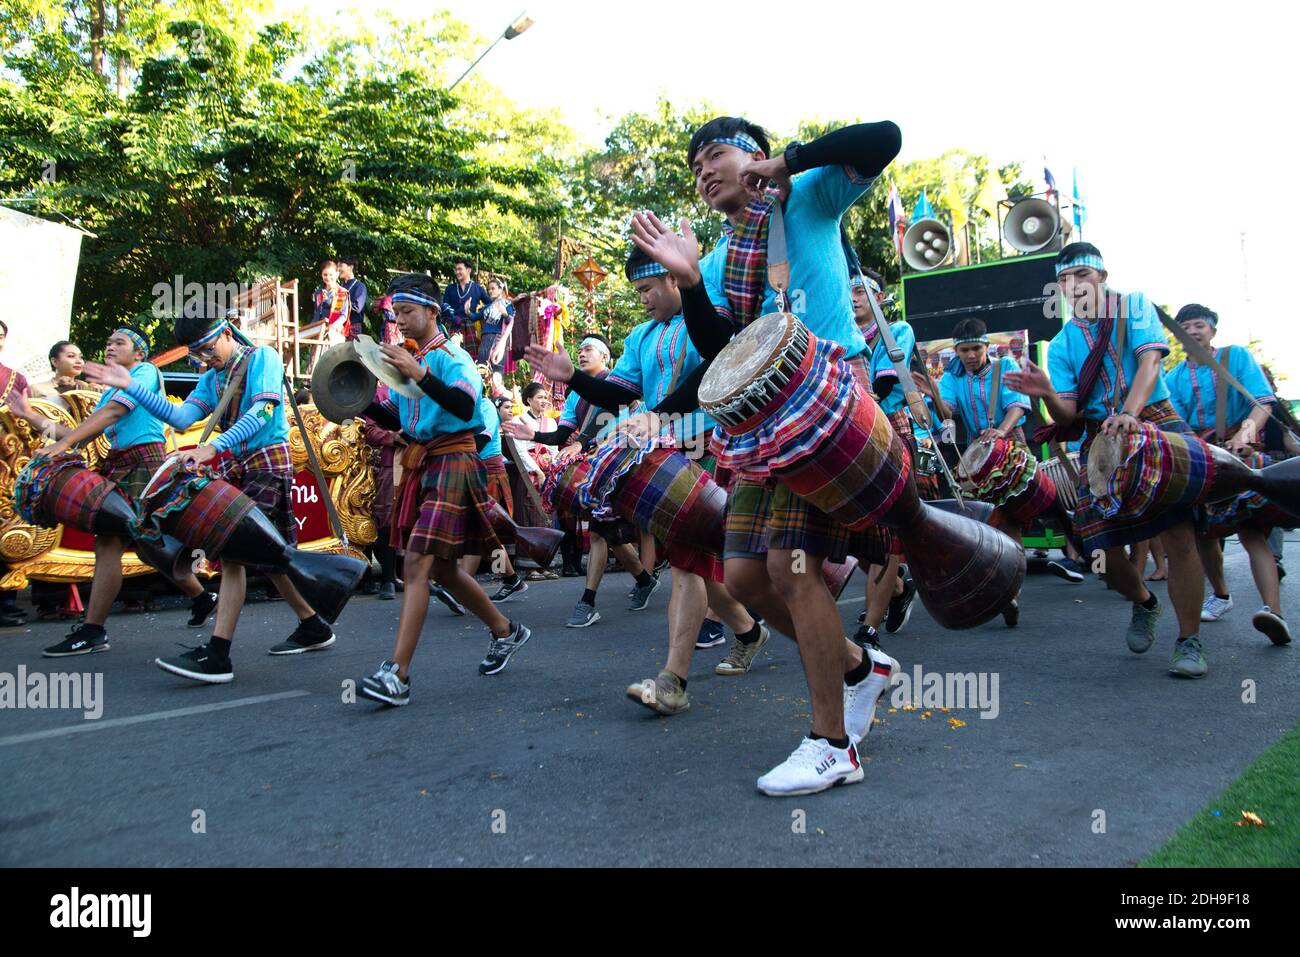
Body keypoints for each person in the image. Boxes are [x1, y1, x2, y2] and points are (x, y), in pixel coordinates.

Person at [629, 115, 903, 795]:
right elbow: (726, 345)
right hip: (760, 422)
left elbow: (887, 137)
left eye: (713, 155)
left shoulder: (805, 194)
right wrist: (691, 282)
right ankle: (861, 668)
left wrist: (791, 160)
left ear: (753, 154)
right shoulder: (719, 259)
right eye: (694, 169)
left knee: (790, 564)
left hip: (826, 399)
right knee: (747, 577)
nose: (703, 173)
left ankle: (832, 743)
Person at [524, 245, 768, 716]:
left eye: (646, 289)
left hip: (714, 444)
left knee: (689, 562)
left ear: (673, 279)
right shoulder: (640, 336)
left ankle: (674, 679)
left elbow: (711, 368)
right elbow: (619, 393)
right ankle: (748, 630)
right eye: (637, 292)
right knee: (691, 558)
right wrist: (572, 375)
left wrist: (659, 414)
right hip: (665, 453)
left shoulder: (708, 316)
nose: (643, 300)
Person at [83, 310, 338, 683]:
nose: (205, 358)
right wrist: (132, 386)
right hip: (236, 465)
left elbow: (264, 411)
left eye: (207, 348)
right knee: (265, 554)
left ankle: (219, 653)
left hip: (268, 461)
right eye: (197, 353)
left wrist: (213, 446)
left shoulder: (261, 358)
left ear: (226, 332)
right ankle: (312, 623)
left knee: (239, 554)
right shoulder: (212, 377)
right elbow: (182, 417)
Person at [1005, 242, 1209, 678]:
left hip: (1153, 418)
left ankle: (1188, 640)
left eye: (1080, 275)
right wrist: (1044, 396)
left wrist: (1131, 414)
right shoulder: (1060, 345)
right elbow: (1069, 413)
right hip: (1100, 438)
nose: (1071, 285)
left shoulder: (1132, 306)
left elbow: (1150, 363)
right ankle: (1145, 603)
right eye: (1062, 279)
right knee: (1095, 550)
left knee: (1179, 534)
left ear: (1102, 276)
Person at [352, 273, 532, 706]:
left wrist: (420, 374)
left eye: (408, 312)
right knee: (441, 570)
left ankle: (398, 673)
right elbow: (397, 417)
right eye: (396, 313)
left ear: (432, 310)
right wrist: (355, 396)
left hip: (455, 459)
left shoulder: (453, 357)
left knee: (415, 564)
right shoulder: (410, 360)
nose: (400, 321)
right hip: (424, 463)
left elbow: (466, 405)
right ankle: (507, 631)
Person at [8, 328, 218, 655]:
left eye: (119, 343)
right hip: (120, 466)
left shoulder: (144, 373)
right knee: (147, 546)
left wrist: (65, 443)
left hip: (144, 465)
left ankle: (93, 631)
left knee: (110, 544)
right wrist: (31, 416)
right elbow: (79, 433)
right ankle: (203, 597)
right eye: (107, 342)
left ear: (138, 354)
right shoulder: (109, 393)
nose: (109, 346)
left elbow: (111, 415)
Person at [504, 334, 659, 625]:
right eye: (580, 350)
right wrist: (534, 435)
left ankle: (588, 601)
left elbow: (637, 419)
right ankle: (643, 579)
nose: (582, 354)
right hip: (593, 468)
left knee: (604, 532)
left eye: (588, 349)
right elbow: (562, 436)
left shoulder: (619, 384)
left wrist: (589, 442)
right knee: (606, 532)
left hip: (621, 465)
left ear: (604, 356)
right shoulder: (575, 394)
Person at [1166, 303, 1290, 644]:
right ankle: (1221, 595)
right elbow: (1174, 425)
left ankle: (1273, 612)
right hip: (1204, 461)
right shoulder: (1171, 378)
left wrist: (1243, 436)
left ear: (1212, 331)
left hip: (1243, 456)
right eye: (1185, 327)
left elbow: (1262, 401)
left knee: (1253, 533)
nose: (1192, 331)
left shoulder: (1236, 358)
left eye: (1198, 325)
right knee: (1204, 534)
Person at [455, 394, 530, 602]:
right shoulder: (462, 404)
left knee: (483, 531)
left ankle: (465, 585)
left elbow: (483, 438)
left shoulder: (485, 405)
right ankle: (508, 579)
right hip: (473, 471)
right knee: (482, 533)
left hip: (488, 473)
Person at [0, 319, 33, 627]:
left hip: (9, 466)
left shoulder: (15, 379)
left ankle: (7, 602)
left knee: (8, 530)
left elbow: (30, 425)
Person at [442, 257, 489, 359]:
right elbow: (444, 306)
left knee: (469, 358)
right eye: (456, 269)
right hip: (453, 326)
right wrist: (453, 317)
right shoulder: (450, 288)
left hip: (469, 327)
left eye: (460, 269)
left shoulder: (478, 289)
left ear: (468, 270)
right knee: (451, 356)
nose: (457, 272)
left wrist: (475, 316)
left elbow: (490, 304)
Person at [478, 278, 515, 397]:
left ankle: (498, 397)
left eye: (493, 288)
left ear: (500, 289)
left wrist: (504, 313)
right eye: (489, 289)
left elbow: (510, 320)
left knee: (496, 369)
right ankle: (483, 396)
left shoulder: (507, 304)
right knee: (482, 367)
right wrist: (468, 312)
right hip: (486, 338)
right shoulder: (488, 306)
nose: (490, 291)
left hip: (498, 339)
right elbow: (475, 316)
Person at [313, 260, 351, 346]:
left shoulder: (342, 293)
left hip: (334, 332)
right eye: (325, 274)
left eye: (331, 274)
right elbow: (316, 313)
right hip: (319, 331)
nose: (328, 277)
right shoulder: (318, 293)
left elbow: (344, 315)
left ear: (337, 274)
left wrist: (333, 326)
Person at [337, 255, 367, 342]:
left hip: (352, 327)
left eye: (341, 266)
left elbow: (357, 308)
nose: (338, 269)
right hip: (339, 327)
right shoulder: (339, 287)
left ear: (350, 267)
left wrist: (340, 305)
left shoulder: (360, 286)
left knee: (350, 355)